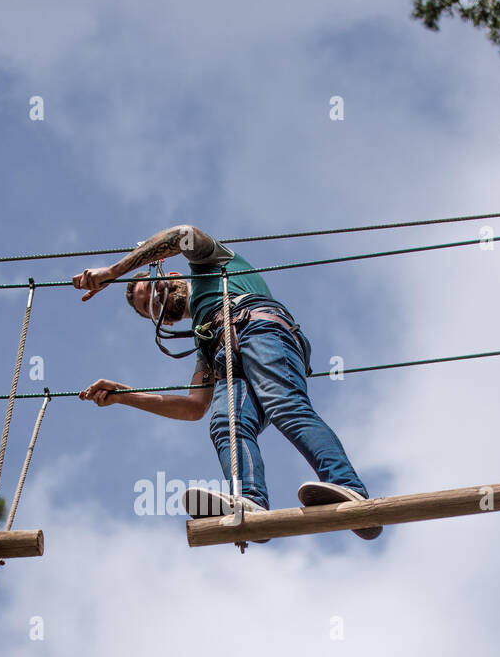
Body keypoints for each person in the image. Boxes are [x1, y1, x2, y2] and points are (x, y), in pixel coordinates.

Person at [73, 224, 381, 540]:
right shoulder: (204, 336)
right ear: (164, 321)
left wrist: (114, 271)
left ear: (174, 277)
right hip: (224, 351)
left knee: (284, 405)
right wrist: (125, 395)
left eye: (154, 290)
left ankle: (348, 486)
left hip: (259, 326)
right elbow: (194, 407)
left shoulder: (211, 262)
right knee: (226, 425)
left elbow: (184, 234)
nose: (157, 301)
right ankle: (251, 503)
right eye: (150, 307)